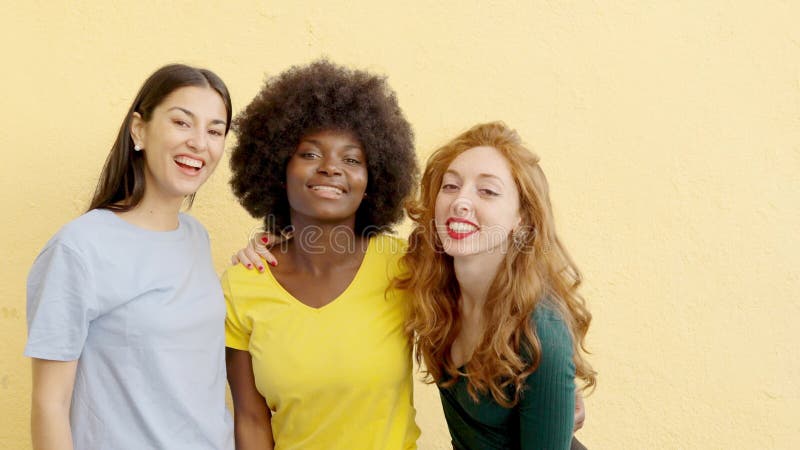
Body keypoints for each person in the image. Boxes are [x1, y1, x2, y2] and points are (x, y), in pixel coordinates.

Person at [24, 64, 234, 450]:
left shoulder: (196, 238)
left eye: (215, 131)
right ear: (139, 129)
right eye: (182, 123)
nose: (200, 143)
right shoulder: (79, 247)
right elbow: (49, 403)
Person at [223, 59, 420, 449]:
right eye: (310, 154)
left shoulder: (405, 266)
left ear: (373, 180)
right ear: (278, 167)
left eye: (352, 159)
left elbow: (486, 324)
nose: (331, 168)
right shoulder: (244, 283)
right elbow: (251, 421)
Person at [396, 121, 596, 449]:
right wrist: (283, 241)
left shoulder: (539, 330)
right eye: (450, 186)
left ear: (521, 217)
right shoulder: (434, 290)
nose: (461, 201)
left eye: (487, 191)